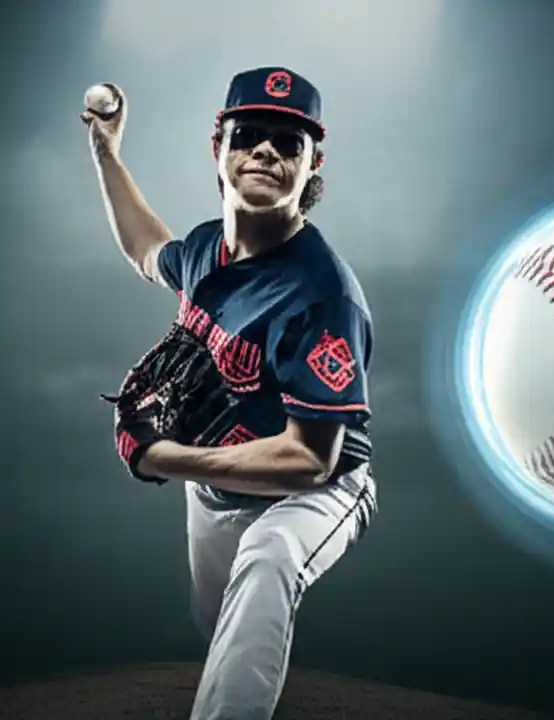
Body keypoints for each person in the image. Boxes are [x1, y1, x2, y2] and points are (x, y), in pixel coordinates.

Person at [82, 67, 378, 720]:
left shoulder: (322, 294)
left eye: (288, 141)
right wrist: (106, 152)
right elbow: (145, 248)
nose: (267, 150)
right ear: (217, 147)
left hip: (316, 489)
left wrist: (162, 458)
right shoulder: (204, 251)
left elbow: (309, 459)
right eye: (249, 134)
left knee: (268, 559)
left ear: (312, 166)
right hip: (216, 490)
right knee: (216, 625)